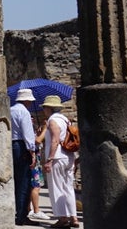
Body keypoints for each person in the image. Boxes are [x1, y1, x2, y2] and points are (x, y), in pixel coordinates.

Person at [42, 95, 78, 228]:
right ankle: (73, 217)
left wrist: (49, 159)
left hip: (57, 157)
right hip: (68, 156)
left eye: (45, 107)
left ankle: (63, 218)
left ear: (49, 108)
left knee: (56, 187)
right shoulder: (65, 120)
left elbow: (55, 141)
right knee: (68, 187)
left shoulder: (53, 121)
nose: (44, 110)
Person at [11, 88, 38, 226]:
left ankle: (17, 211)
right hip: (21, 146)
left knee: (16, 180)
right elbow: (28, 134)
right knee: (24, 181)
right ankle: (21, 215)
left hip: (12, 145)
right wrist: (32, 152)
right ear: (27, 100)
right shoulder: (24, 112)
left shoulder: (11, 110)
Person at [28, 122, 50, 221]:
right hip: (34, 164)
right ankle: (36, 210)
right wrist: (45, 129)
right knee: (35, 186)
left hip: (36, 163)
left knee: (32, 187)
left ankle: (29, 209)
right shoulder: (29, 133)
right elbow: (37, 141)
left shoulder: (31, 133)